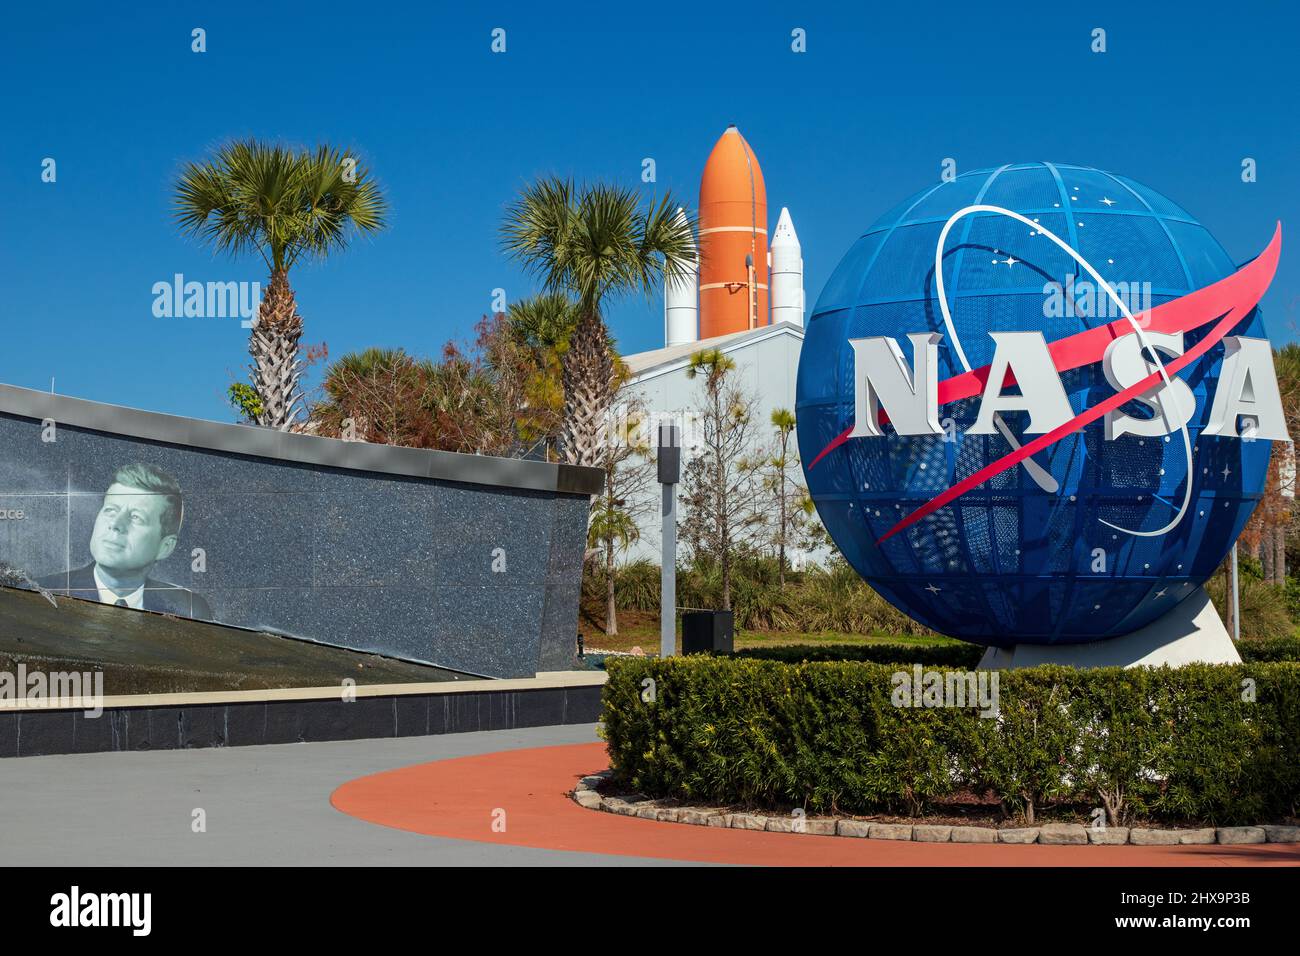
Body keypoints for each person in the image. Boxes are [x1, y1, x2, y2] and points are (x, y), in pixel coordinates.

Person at [39, 462, 212, 619]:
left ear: (165, 547)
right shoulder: (43, 593)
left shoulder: (190, 610)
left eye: (136, 517)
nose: (116, 524)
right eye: (111, 510)